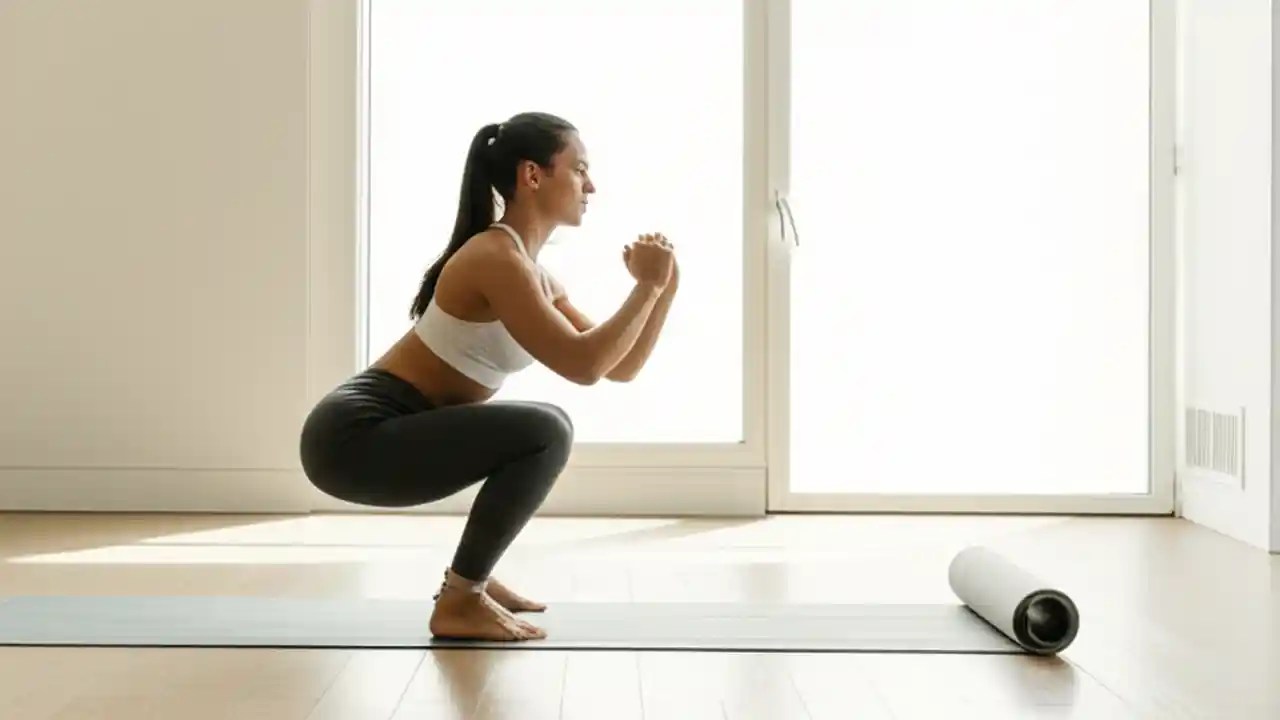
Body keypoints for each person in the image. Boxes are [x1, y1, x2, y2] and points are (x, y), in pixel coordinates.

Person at [298, 112, 679, 642]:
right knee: (546, 430)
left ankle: (469, 580)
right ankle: (461, 598)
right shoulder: (495, 257)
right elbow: (584, 367)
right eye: (580, 170)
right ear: (532, 175)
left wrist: (660, 289)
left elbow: (621, 367)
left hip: (386, 433)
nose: (591, 186)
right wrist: (645, 287)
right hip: (351, 439)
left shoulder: (536, 273)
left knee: (543, 429)